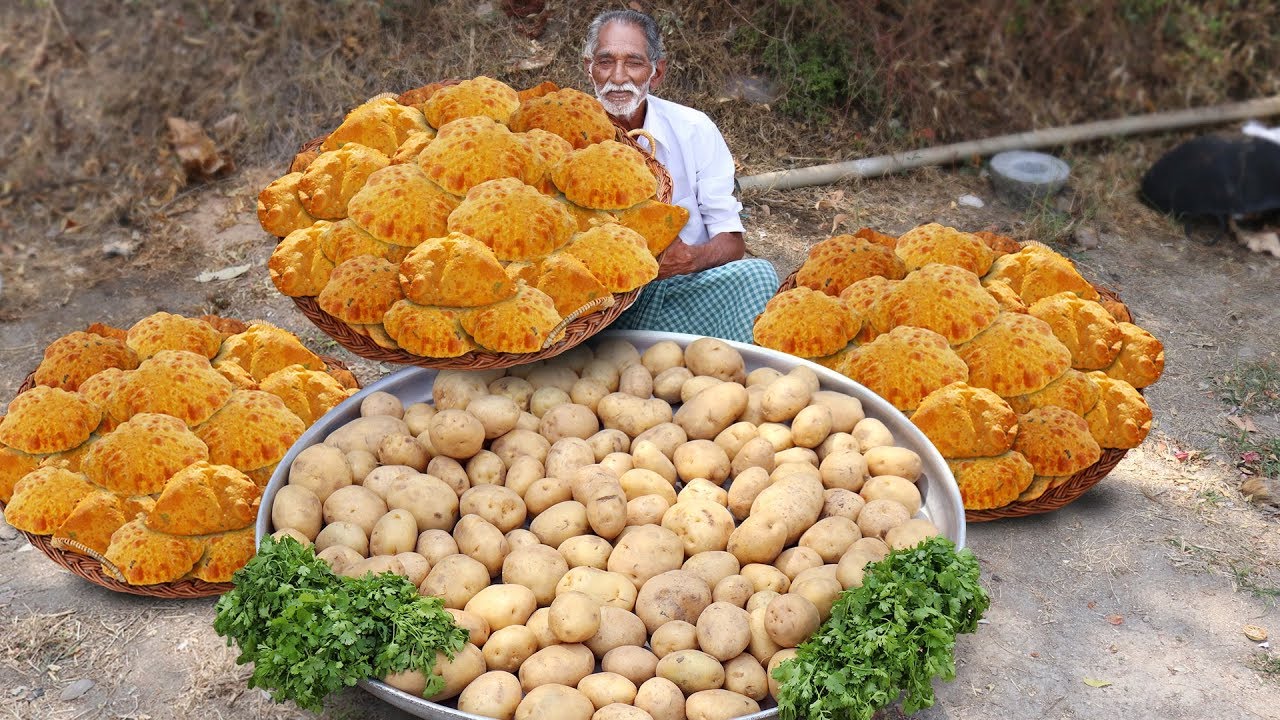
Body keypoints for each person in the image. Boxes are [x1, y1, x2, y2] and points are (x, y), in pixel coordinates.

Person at [582, 9, 778, 345]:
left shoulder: (694, 129)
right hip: (601, 310)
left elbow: (732, 242)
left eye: (633, 62)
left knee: (758, 275)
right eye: (605, 62)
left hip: (681, 293)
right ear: (589, 68)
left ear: (656, 72)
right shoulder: (569, 138)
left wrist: (690, 259)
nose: (617, 77)